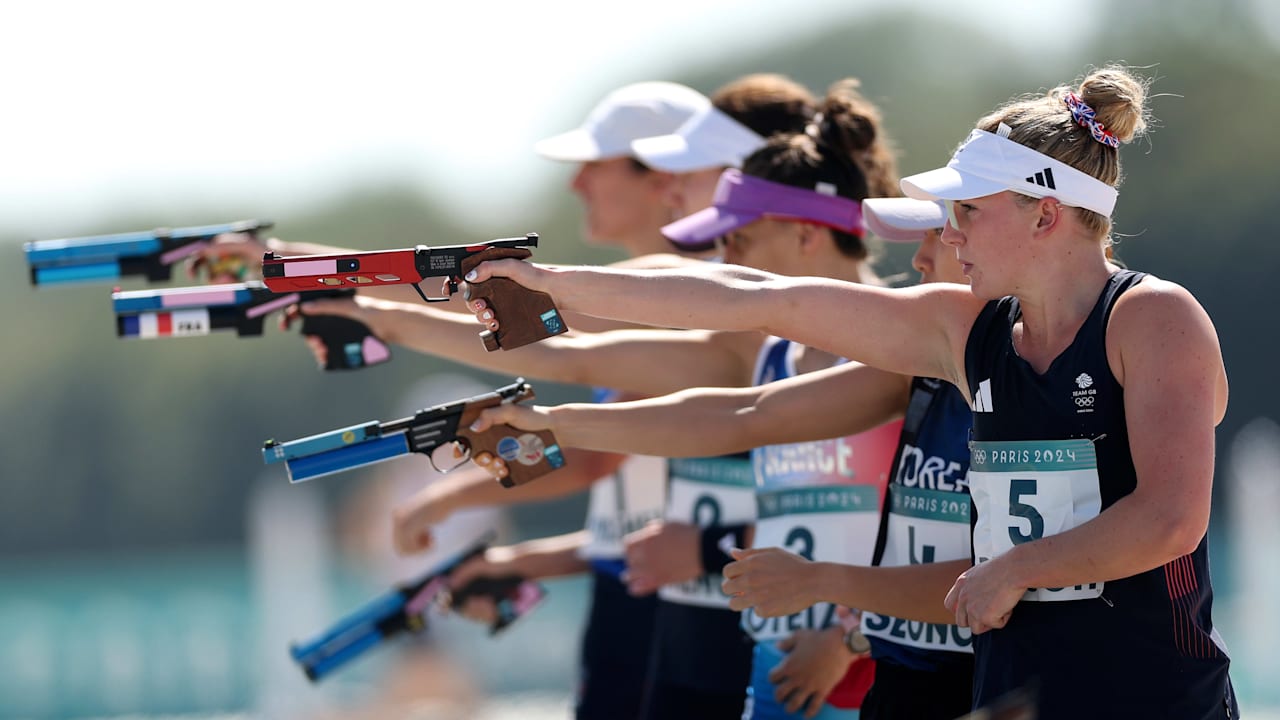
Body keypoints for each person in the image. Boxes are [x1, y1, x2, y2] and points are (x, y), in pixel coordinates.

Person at [461, 65, 1238, 719]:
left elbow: (1170, 519)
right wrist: (549, 284)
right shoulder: (964, 328)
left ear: (1046, 215)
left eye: (968, 212)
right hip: (1014, 690)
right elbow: (756, 298)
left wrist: (1012, 569)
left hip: (1153, 694)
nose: (948, 235)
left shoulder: (1154, 317)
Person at [301, 75, 821, 720]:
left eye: (596, 165)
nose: (577, 184)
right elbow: (627, 512)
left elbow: (582, 436)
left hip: (708, 615)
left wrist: (325, 278)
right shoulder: (679, 294)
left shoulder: (703, 299)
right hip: (658, 601)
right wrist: (528, 560)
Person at [455, 78, 909, 720]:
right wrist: (366, 297)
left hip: (805, 656)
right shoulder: (766, 338)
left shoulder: (893, 348)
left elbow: (921, 529)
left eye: (687, 171)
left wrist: (845, 635)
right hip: (728, 637)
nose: (674, 192)